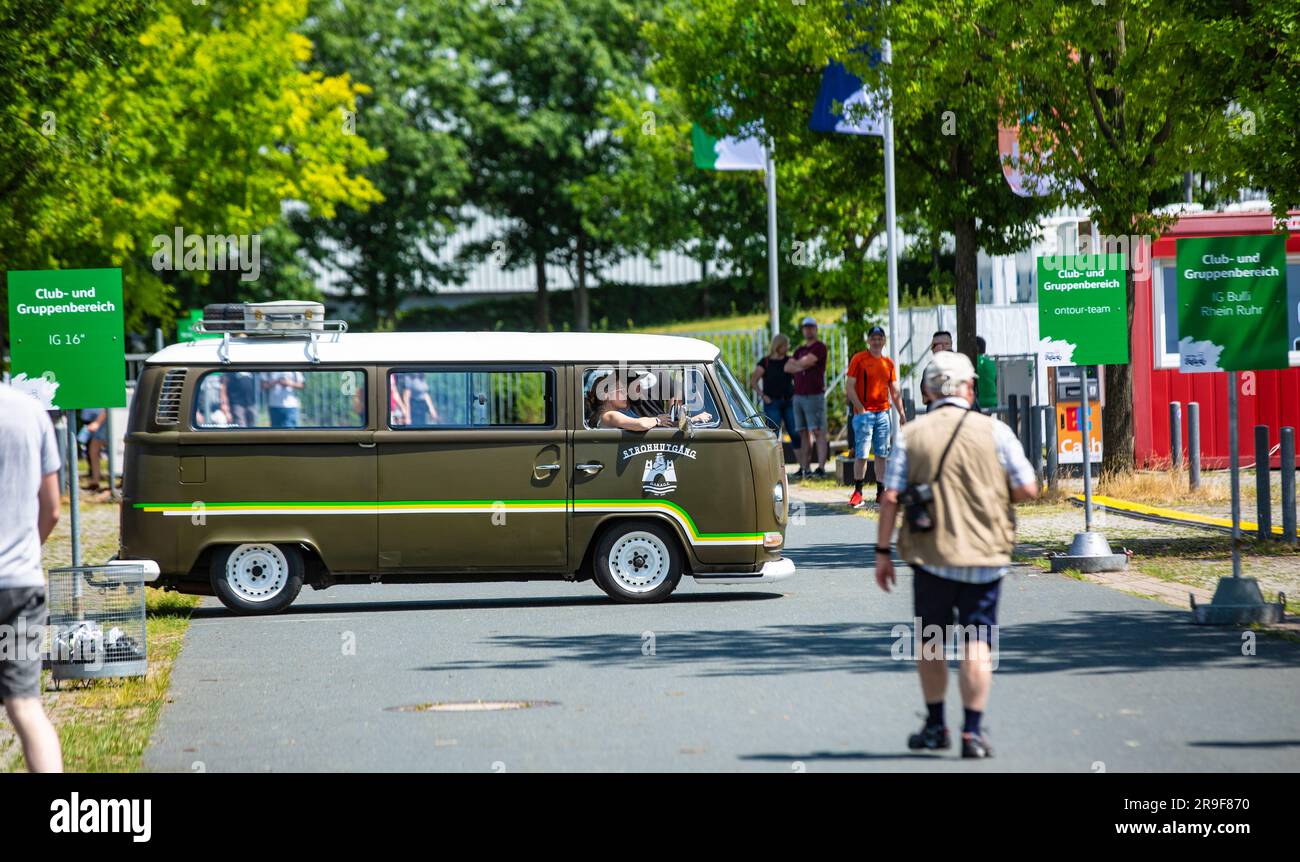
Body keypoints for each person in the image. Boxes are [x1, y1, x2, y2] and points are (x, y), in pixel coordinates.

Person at [874, 350, 1037, 759]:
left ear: (928, 390)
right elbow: (1027, 488)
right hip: (986, 556)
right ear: (969, 388)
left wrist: (882, 553)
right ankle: (973, 733)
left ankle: (934, 726)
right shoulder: (995, 431)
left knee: (931, 640)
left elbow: (891, 496)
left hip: (932, 556)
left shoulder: (911, 434)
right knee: (977, 642)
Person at [0, 384, 64, 772]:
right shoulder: (30, 411)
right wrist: (27, 552)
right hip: (20, 585)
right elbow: (53, 508)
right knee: (25, 704)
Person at [845, 326, 906, 508]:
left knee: (882, 453)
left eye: (880, 338)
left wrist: (901, 413)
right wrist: (860, 408)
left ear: (884, 341)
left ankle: (881, 491)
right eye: (873, 338)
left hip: (883, 413)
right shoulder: (859, 359)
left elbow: (894, 390)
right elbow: (849, 386)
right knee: (862, 453)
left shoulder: (888, 363)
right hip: (865, 413)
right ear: (868, 340)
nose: (877, 341)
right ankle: (858, 491)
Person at [785, 316, 828, 479]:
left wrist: (800, 364)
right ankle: (805, 467)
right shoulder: (799, 350)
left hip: (814, 395)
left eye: (811, 327)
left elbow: (805, 363)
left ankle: (822, 467)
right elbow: (787, 367)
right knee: (803, 432)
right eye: (805, 327)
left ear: (816, 329)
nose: (808, 330)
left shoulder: (819, 347)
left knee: (818, 431)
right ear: (803, 330)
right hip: (799, 395)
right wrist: (801, 365)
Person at [750, 334, 797, 450]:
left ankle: (802, 465)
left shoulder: (789, 360)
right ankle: (772, 460)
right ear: (778, 346)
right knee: (773, 435)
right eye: (786, 345)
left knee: (795, 433)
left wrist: (796, 394)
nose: (788, 347)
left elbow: (798, 379)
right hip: (772, 403)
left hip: (789, 402)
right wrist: (763, 395)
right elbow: (753, 381)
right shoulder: (765, 362)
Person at [76, 408, 109, 491]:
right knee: (93, 451)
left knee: (94, 450)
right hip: (95, 420)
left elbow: (108, 405)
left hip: (101, 420)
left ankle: (95, 481)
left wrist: (98, 422)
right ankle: (95, 481)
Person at [975, 336, 998, 412]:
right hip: (993, 402)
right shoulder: (990, 363)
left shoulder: (974, 361)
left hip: (979, 403)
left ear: (977, 348)